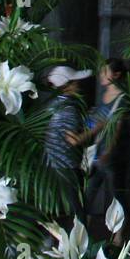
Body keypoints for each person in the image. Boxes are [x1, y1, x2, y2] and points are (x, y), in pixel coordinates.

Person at [67, 58, 130, 244]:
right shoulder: (103, 96)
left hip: (113, 156)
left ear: (116, 75)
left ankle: (118, 236)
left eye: (105, 72)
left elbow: (116, 128)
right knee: (88, 195)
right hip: (97, 153)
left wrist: (108, 152)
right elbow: (95, 122)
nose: (102, 76)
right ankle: (81, 232)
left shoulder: (122, 99)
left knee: (116, 196)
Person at [42, 65, 91, 216]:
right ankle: (82, 237)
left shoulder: (53, 104)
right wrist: (97, 126)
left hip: (51, 161)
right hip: (67, 163)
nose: (78, 84)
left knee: (52, 206)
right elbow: (73, 139)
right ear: (66, 87)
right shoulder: (69, 107)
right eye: (74, 82)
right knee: (77, 206)